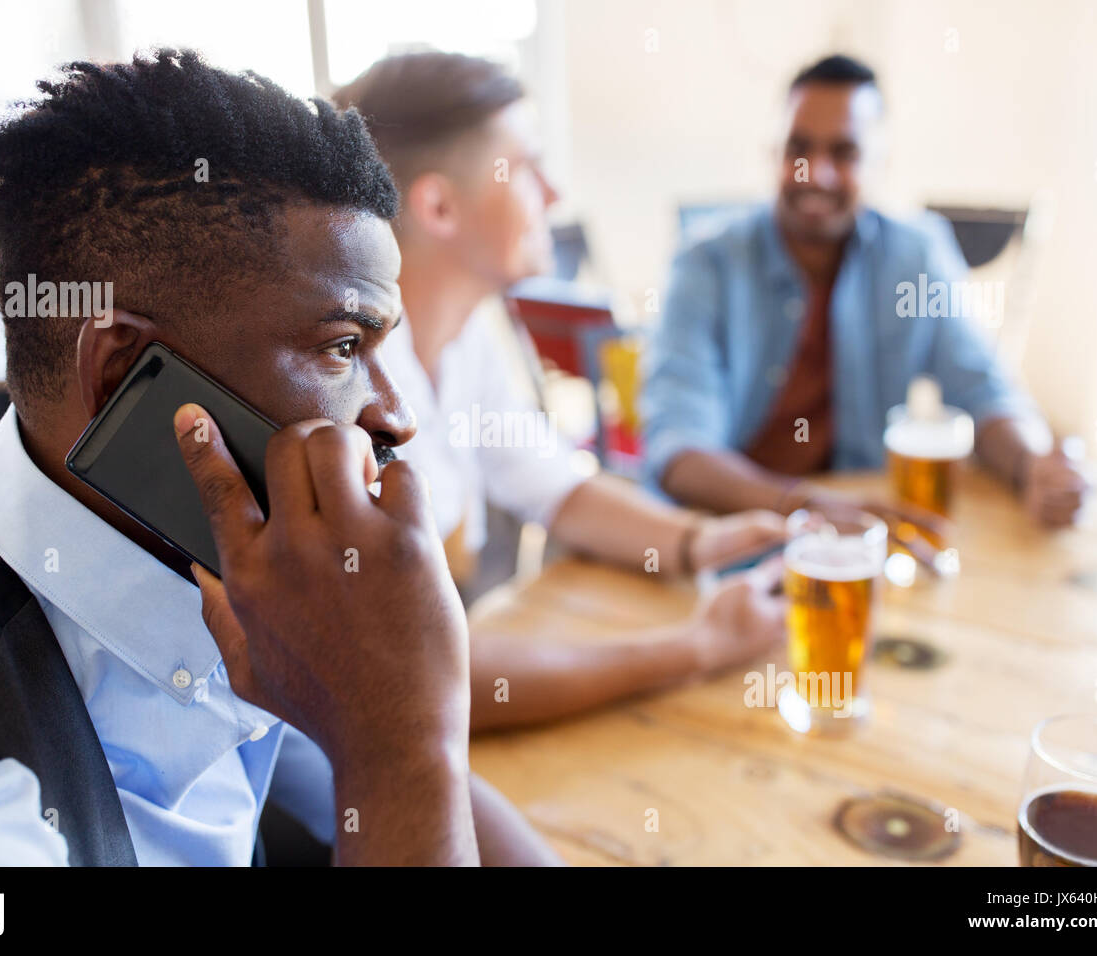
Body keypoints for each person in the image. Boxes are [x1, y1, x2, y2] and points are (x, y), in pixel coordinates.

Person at [0, 49, 557, 866]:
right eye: (341, 346)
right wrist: (397, 748)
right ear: (122, 376)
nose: (396, 415)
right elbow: (398, 779)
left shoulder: (191, 551)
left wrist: (402, 730)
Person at [332, 53, 787, 732]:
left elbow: (556, 488)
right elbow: (422, 682)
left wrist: (699, 541)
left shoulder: (464, 337)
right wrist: (697, 646)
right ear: (439, 206)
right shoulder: (347, 396)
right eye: (527, 168)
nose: (553, 194)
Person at [640, 54, 1093, 540]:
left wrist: (1033, 464)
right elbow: (677, 450)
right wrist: (806, 510)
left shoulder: (916, 256)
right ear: (773, 153)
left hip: (857, 544)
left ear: (880, 164)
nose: (816, 173)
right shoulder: (706, 262)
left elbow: (985, 392)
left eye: (844, 152)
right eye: (798, 148)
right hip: (717, 539)